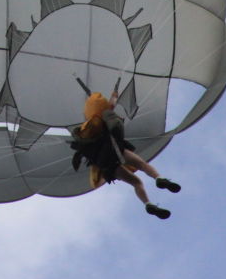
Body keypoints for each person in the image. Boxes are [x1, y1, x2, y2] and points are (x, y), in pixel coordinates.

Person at [69, 89, 181, 219]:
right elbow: (111, 105)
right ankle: (159, 178)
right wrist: (115, 94)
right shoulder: (101, 117)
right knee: (142, 165)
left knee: (136, 182)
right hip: (114, 149)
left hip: (106, 166)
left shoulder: (86, 132)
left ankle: (148, 204)